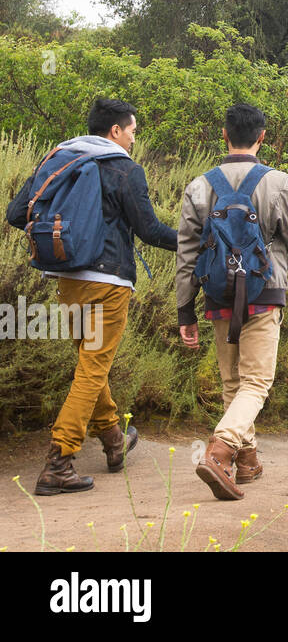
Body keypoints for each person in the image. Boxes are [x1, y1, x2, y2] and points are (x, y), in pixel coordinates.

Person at [5, 98, 178, 494]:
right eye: (132, 130)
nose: (134, 138)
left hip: (69, 281)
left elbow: (17, 214)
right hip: (109, 284)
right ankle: (59, 461)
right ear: (116, 130)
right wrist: (196, 240)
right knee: (92, 371)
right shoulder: (124, 169)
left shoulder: (60, 159)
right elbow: (150, 230)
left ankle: (114, 440)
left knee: (89, 364)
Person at [175, 103, 288, 500]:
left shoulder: (198, 186)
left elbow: (186, 254)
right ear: (262, 138)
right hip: (264, 292)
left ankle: (247, 460)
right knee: (256, 383)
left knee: (233, 382)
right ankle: (220, 451)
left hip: (218, 294)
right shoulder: (278, 183)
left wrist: (185, 309)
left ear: (224, 135)